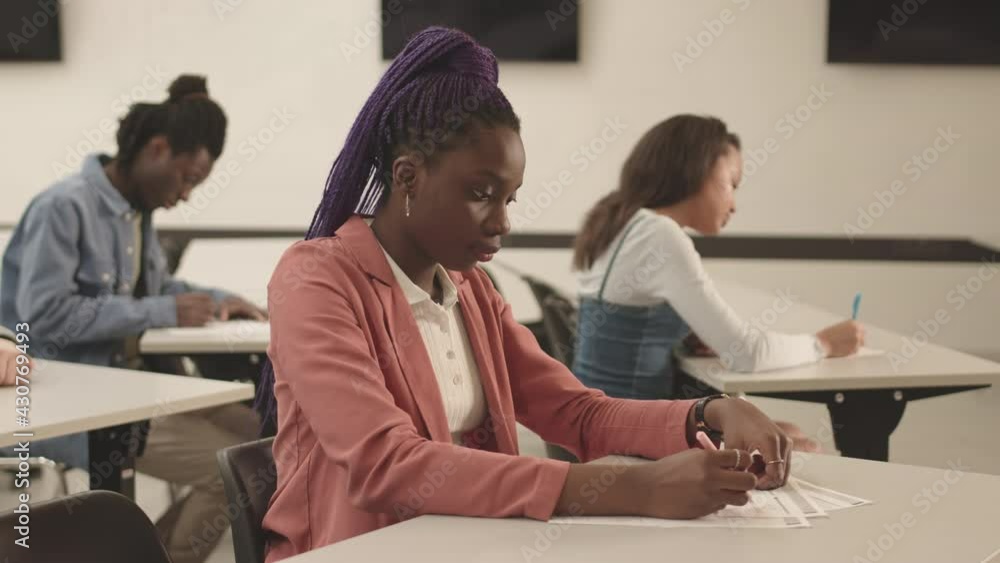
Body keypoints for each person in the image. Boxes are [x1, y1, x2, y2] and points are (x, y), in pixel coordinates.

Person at [257, 28, 796, 562]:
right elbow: (386, 464)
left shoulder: (470, 291)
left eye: (509, 198)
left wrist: (708, 414)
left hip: (473, 547)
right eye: (481, 194)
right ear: (408, 177)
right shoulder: (316, 281)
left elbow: (576, 413)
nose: (503, 222)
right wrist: (635, 488)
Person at [0, 75, 262, 563]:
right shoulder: (64, 206)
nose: (184, 196)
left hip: (139, 388)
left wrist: (221, 298)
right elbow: (42, 317)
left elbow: (158, 291)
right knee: (232, 470)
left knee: (261, 438)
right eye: (187, 178)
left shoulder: (134, 214)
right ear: (158, 149)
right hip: (78, 403)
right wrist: (164, 309)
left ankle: (146, 554)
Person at [571, 114, 865, 451]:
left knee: (787, 434)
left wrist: (685, 334)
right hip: (624, 437)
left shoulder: (623, 221)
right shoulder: (660, 234)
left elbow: (628, 327)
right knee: (795, 445)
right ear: (694, 172)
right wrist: (824, 343)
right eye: (731, 184)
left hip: (601, 423)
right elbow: (747, 354)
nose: (734, 205)